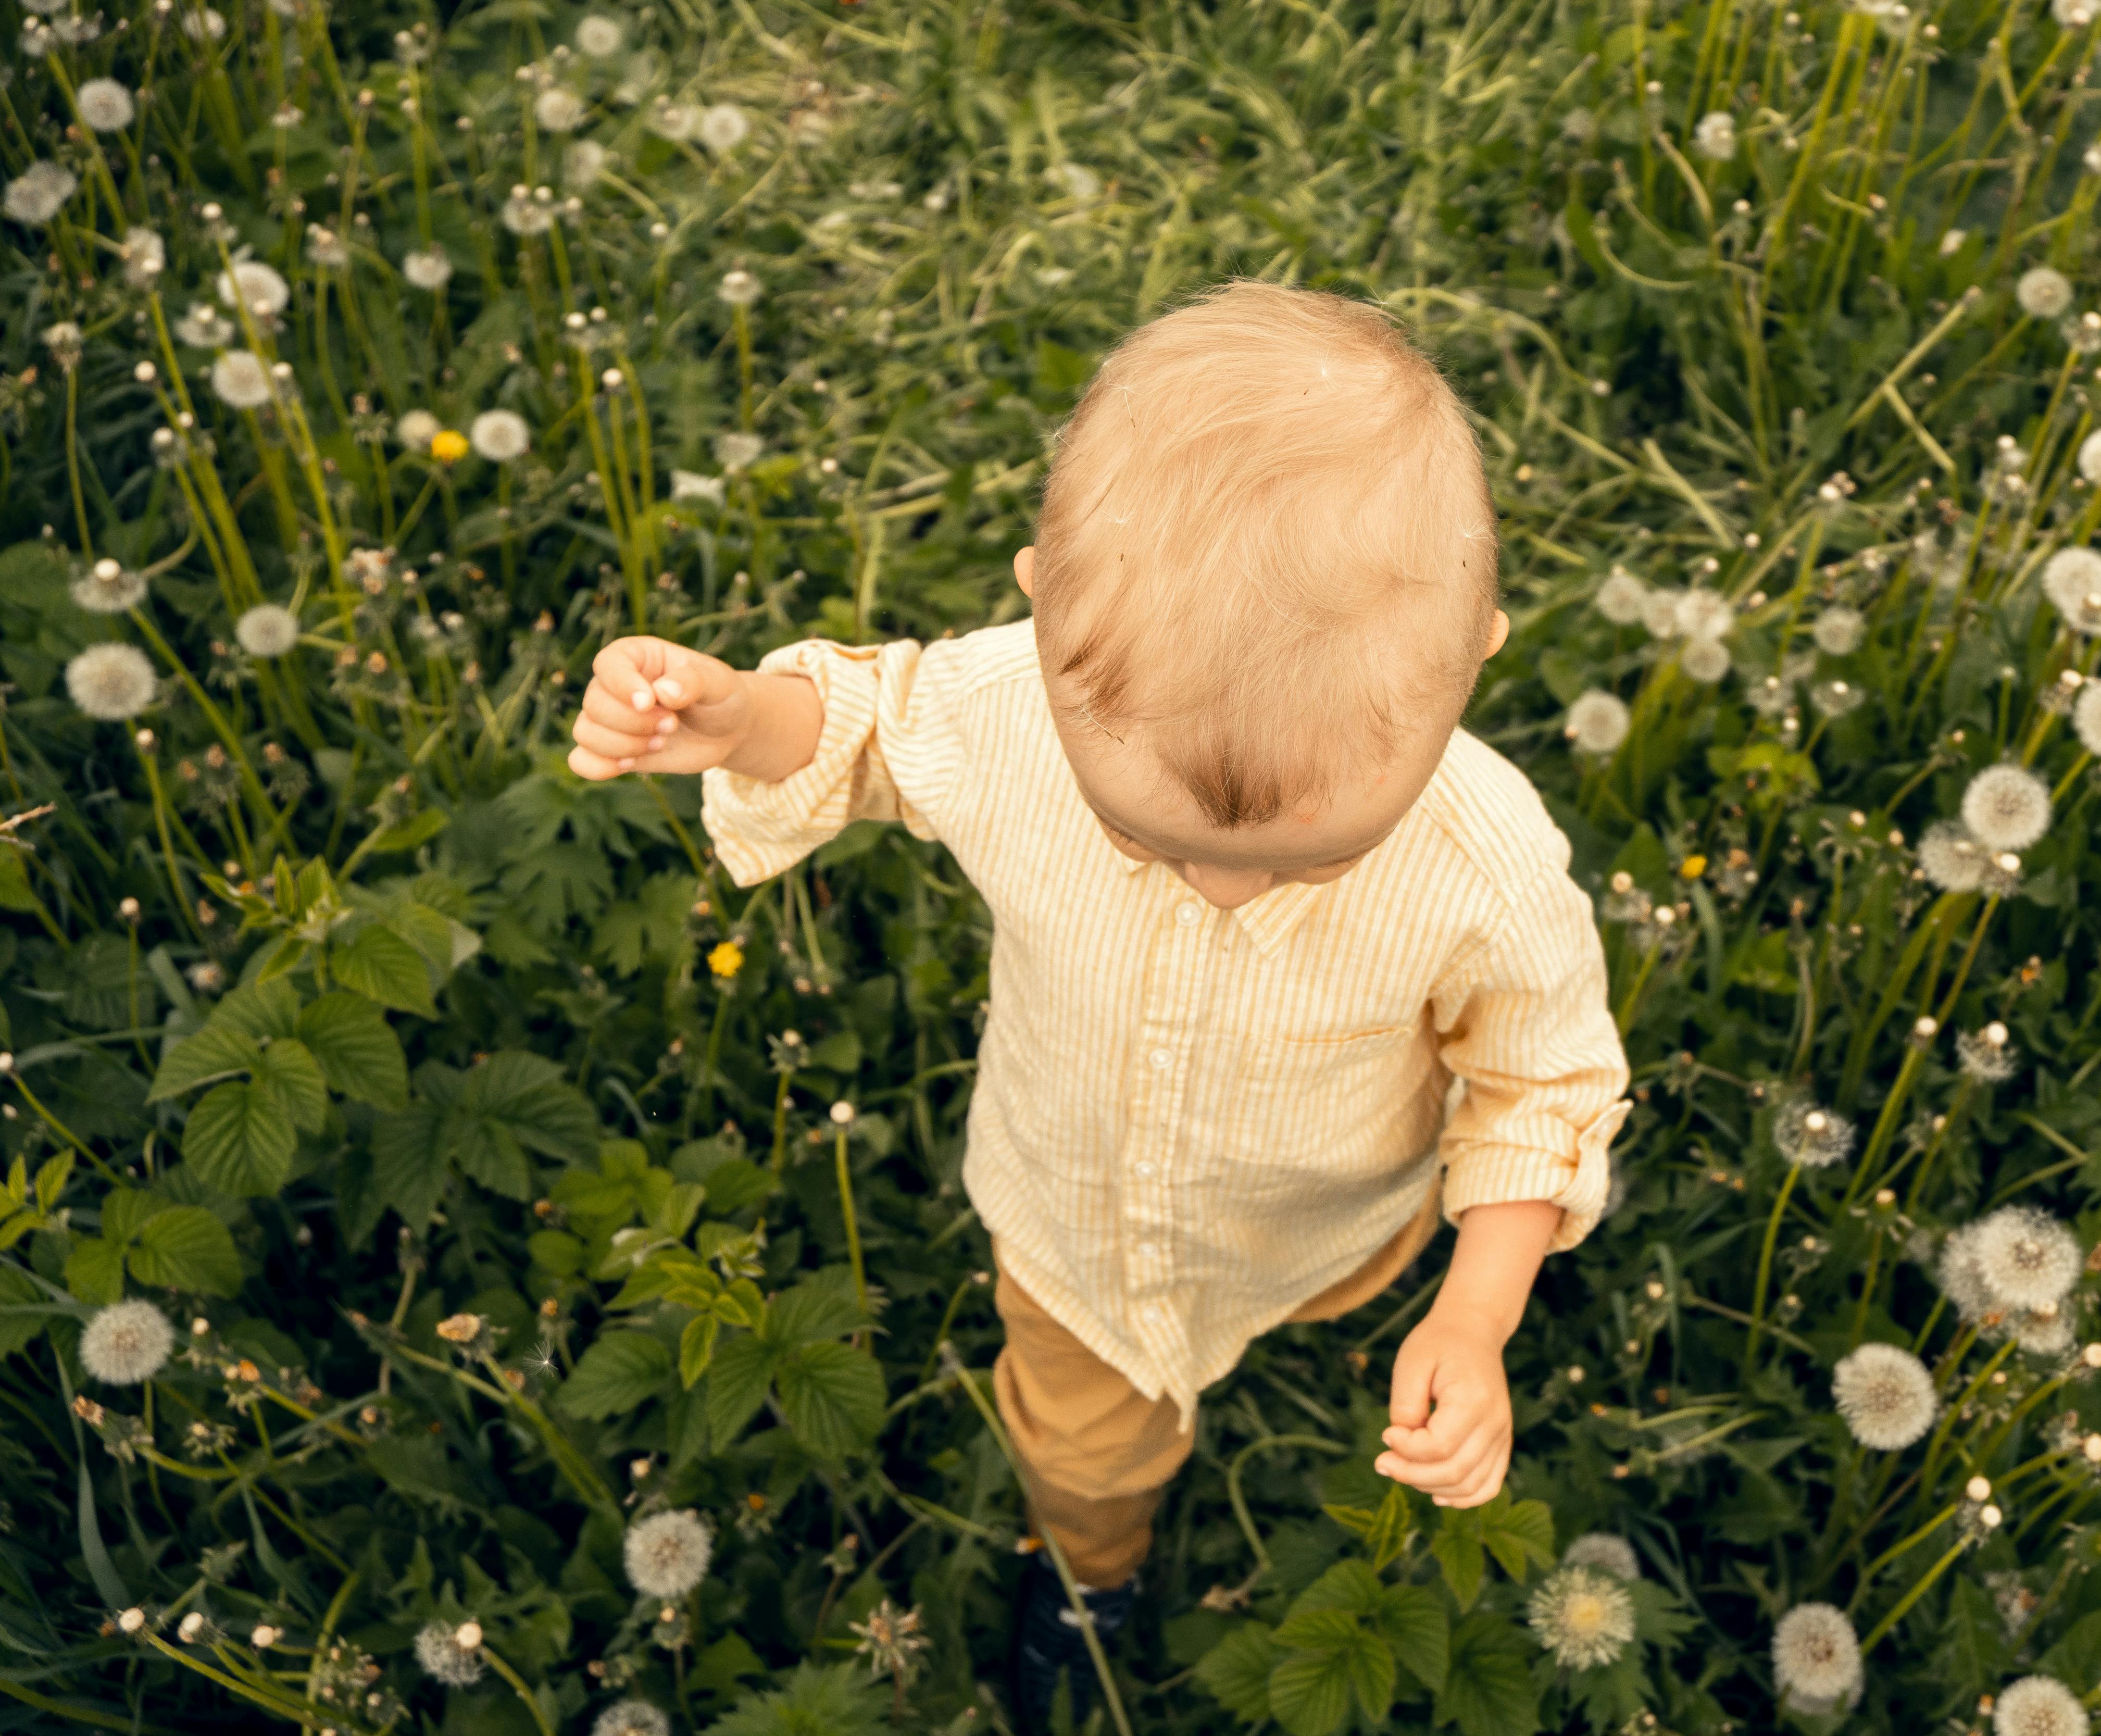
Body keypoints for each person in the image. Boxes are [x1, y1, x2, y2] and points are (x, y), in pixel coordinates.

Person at [566, 279, 1631, 1725]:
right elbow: (879, 730)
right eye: (1146, 834)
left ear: (1473, 662)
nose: (1212, 884)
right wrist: (746, 717)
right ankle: (1094, 1568)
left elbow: (1540, 1081)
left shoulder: (1482, 864)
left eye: (1309, 856)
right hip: (1073, 1219)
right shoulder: (1017, 705)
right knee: (1084, 1440)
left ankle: (1331, 1318)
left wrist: (1477, 1309)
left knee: (1333, 1280)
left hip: (1331, 1212)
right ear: (1044, 616)